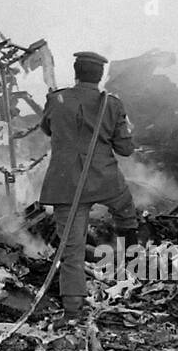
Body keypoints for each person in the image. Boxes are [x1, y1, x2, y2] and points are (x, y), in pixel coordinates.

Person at [39, 51, 138, 320]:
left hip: (64, 184)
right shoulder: (112, 104)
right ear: (100, 76)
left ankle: (73, 310)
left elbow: (47, 129)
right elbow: (126, 149)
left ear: (75, 72)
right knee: (126, 211)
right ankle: (133, 262)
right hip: (103, 179)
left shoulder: (56, 100)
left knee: (71, 248)